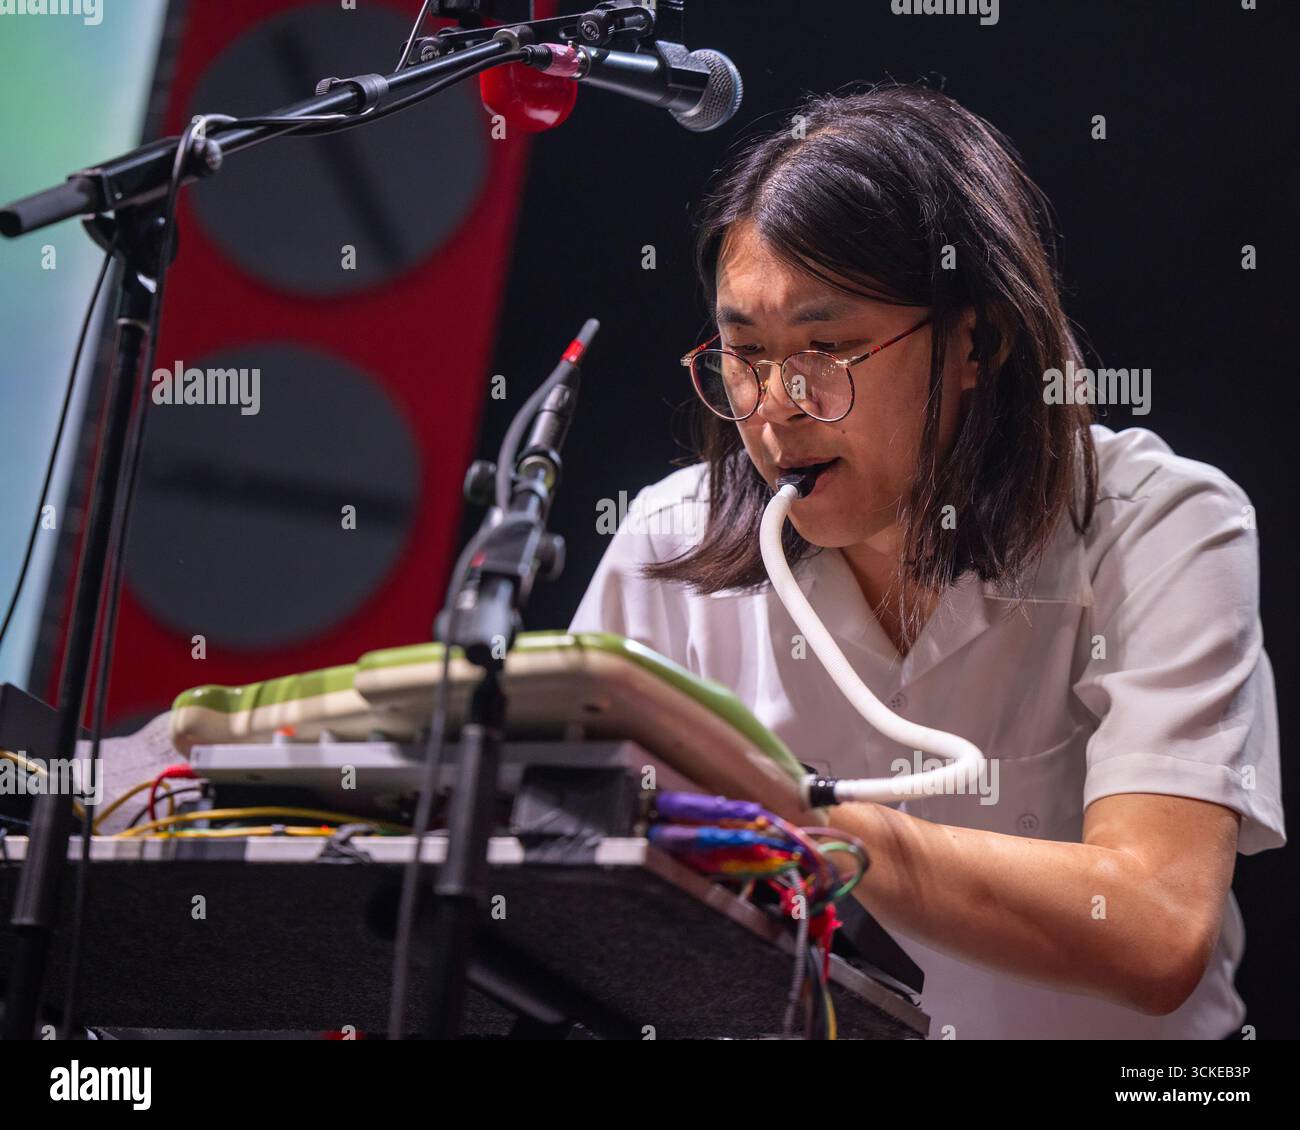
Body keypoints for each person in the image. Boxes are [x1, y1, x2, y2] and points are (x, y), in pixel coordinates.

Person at [568, 85, 1284, 1039]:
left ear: (976, 341)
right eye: (744, 353)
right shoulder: (667, 542)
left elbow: (1154, 929)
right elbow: (565, 878)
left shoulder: (1157, 526)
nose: (777, 406)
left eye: (829, 347)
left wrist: (790, 818)